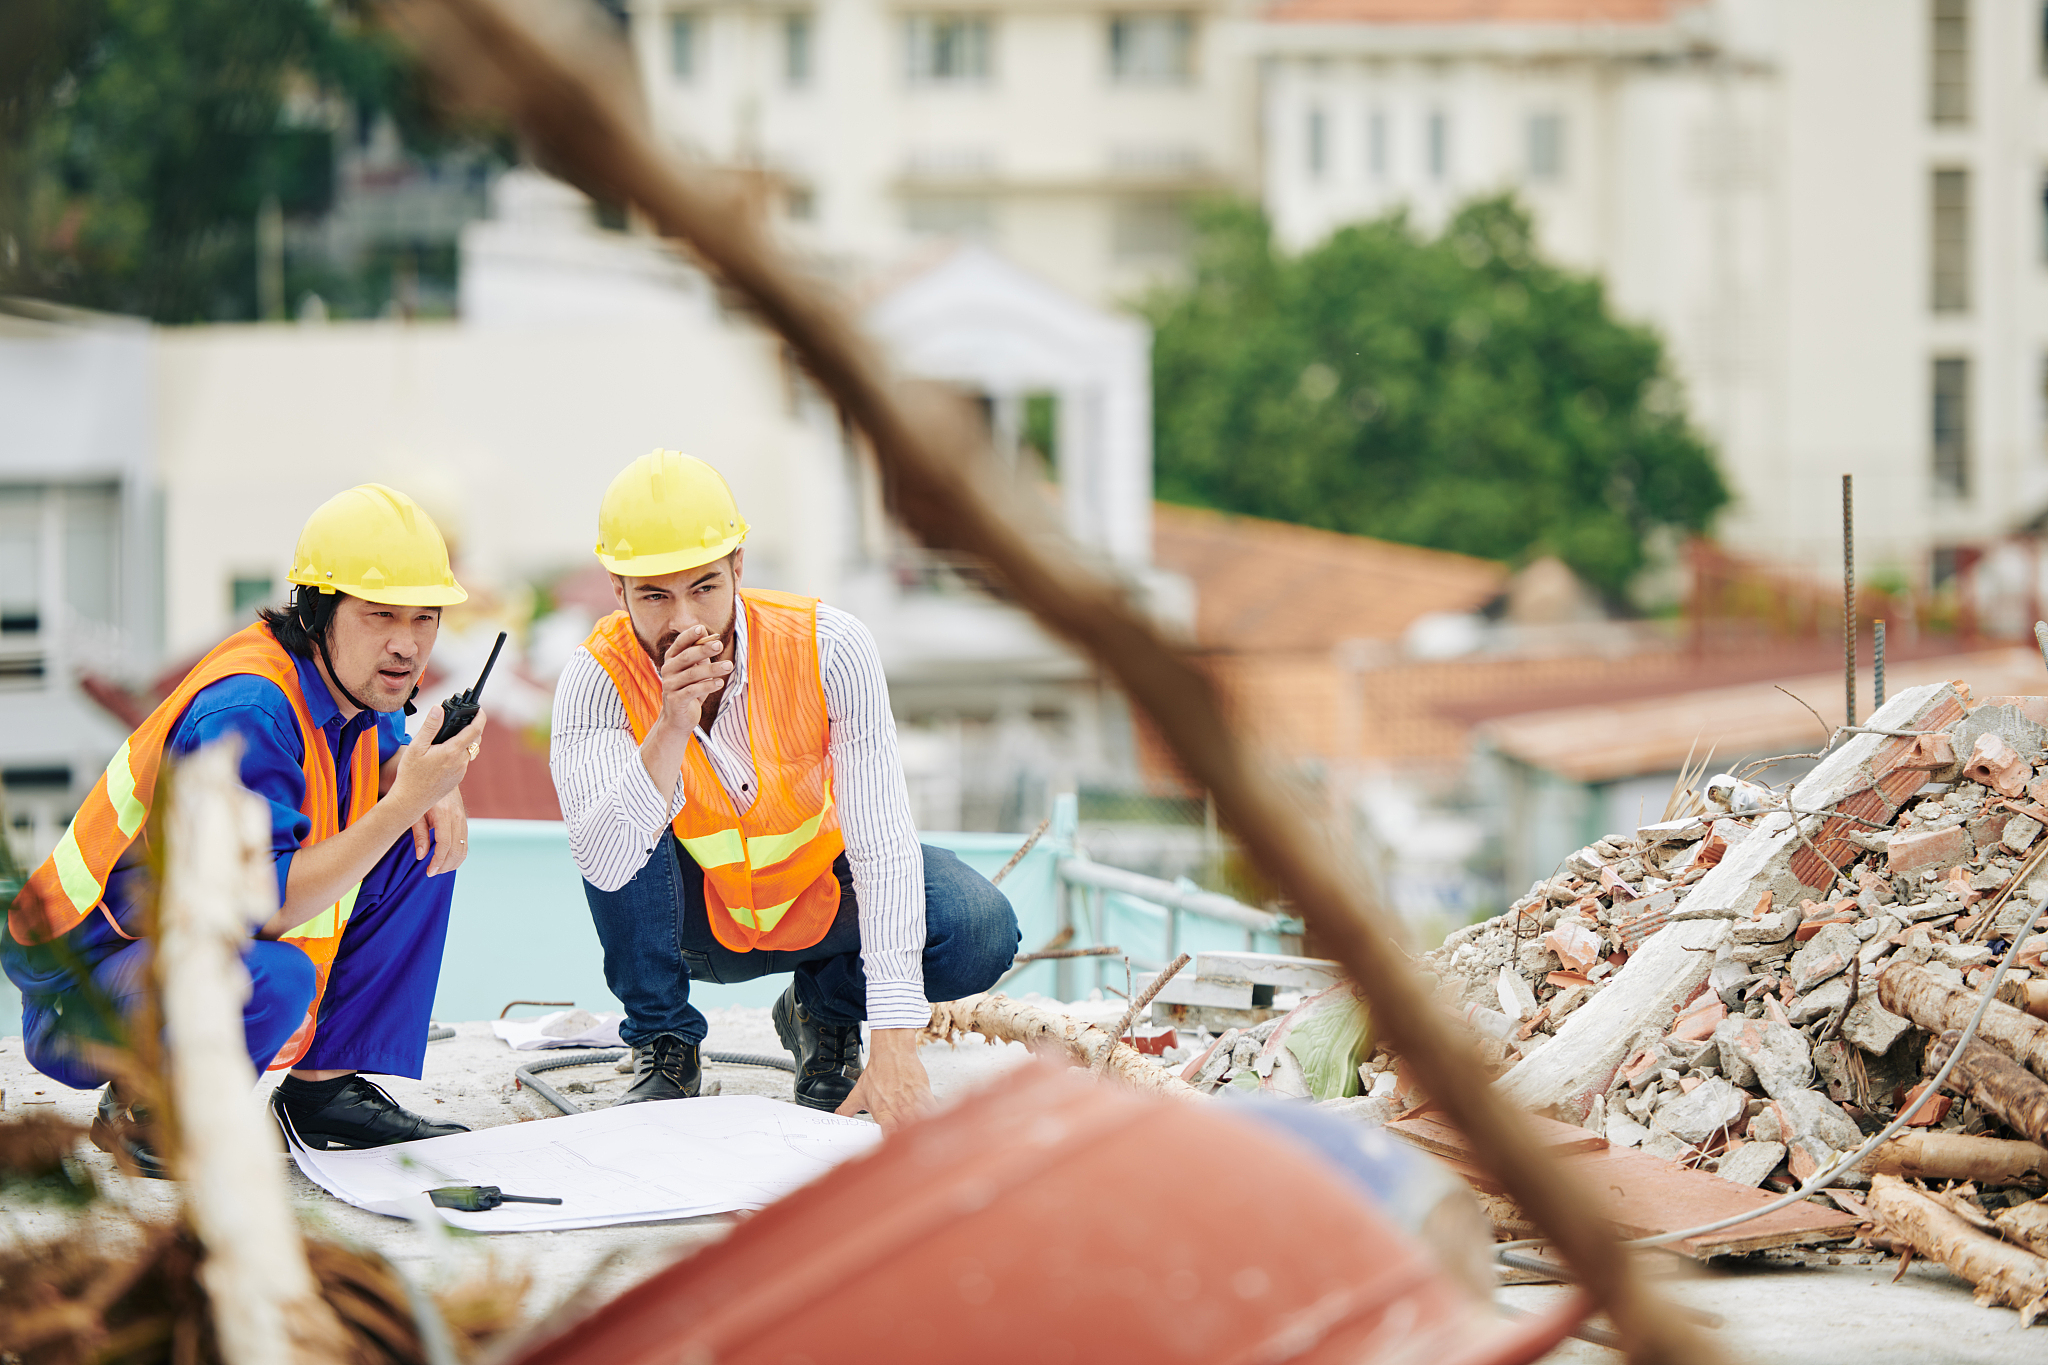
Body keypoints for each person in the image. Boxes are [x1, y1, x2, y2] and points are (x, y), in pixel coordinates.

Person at [3, 484, 485, 1175]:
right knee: (274, 978)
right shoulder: (249, 711)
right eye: (380, 614)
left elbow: (386, 759)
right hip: (81, 994)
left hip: (162, 953)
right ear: (317, 611)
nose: (406, 644)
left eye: (425, 618)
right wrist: (409, 798)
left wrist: (431, 783)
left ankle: (323, 1093)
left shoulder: (350, 683)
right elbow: (269, 902)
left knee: (419, 844)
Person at [550, 450, 1019, 1129]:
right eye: (654, 595)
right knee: (618, 815)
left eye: (704, 587)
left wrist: (894, 1044)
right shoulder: (595, 676)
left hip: (817, 901)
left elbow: (882, 839)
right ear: (617, 589)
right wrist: (672, 722)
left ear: (739, 566)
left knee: (978, 927)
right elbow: (605, 860)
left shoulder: (831, 645)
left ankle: (823, 1010)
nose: (685, 620)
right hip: (693, 927)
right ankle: (664, 1040)